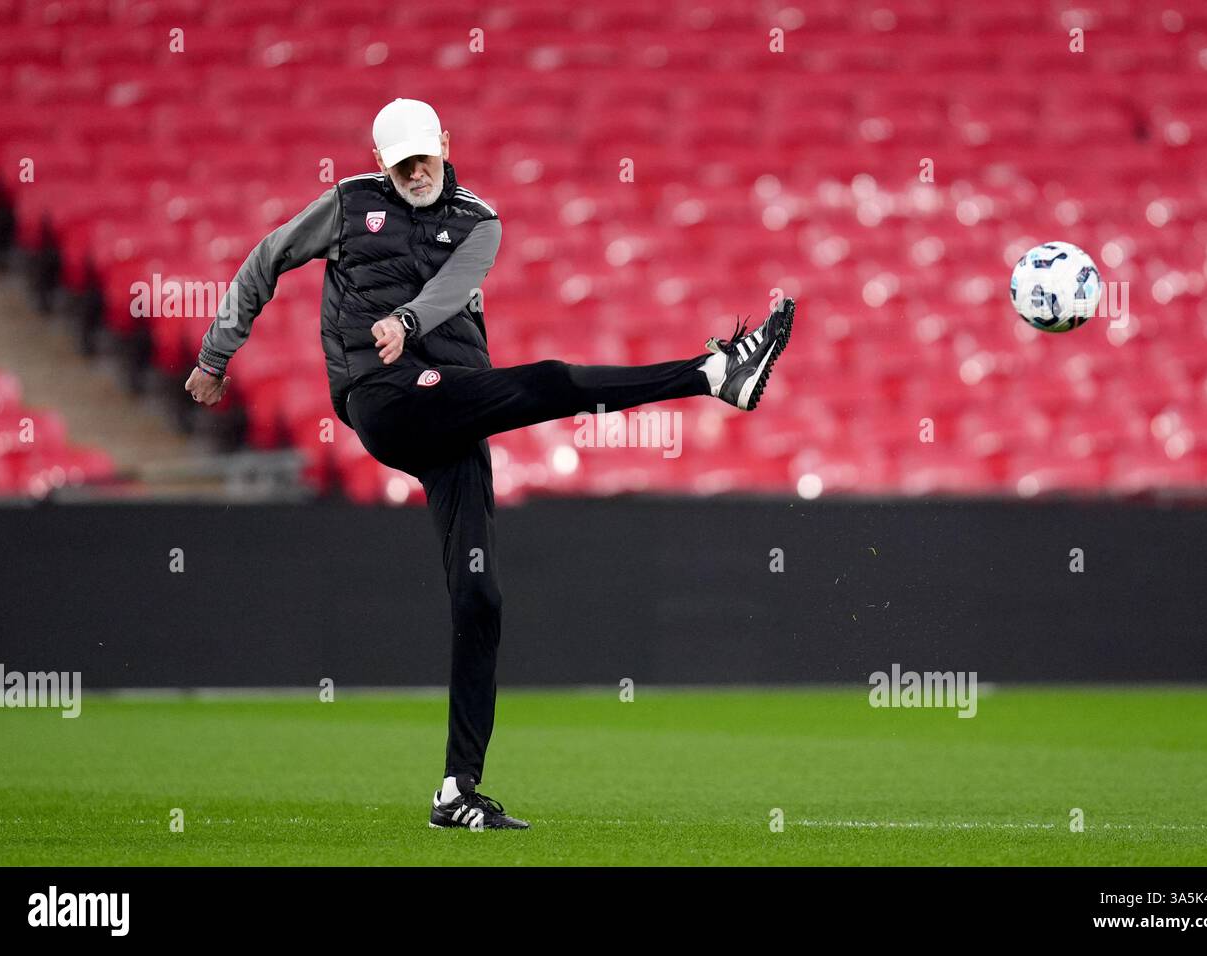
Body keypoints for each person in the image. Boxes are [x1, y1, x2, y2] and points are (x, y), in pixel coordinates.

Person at [186, 98, 796, 829]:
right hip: (385, 399)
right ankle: (710, 374)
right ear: (381, 163)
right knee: (544, 382)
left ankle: (456, 790)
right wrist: (218, 353)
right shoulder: (348, 207)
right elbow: (267, 257)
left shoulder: (479, 220)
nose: (417, 170)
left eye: (425, 155)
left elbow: (449, 289)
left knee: (480, 600)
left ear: (446, 143)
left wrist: (408, 319)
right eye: (401, 161)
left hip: (454, 413)